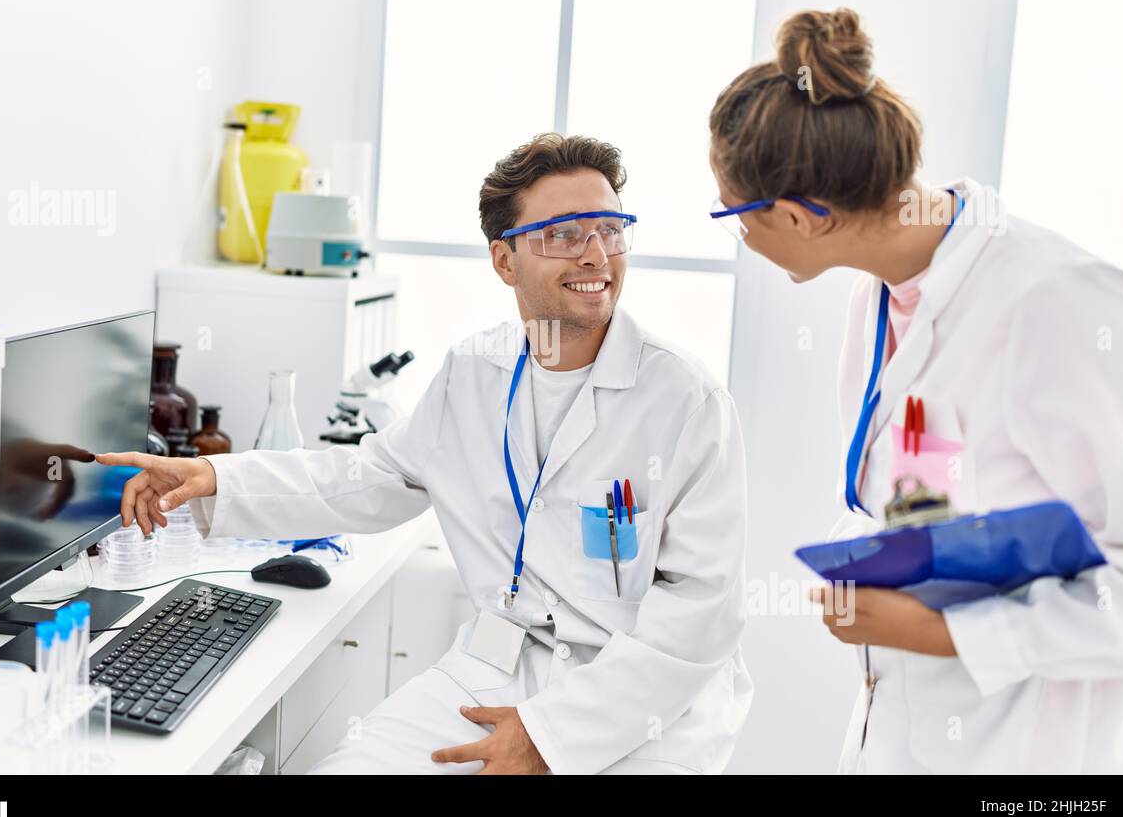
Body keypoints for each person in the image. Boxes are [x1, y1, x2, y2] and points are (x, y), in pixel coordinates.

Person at [99, 133, 751, 774]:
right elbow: (370, 476)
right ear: (505, 261)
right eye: (564, 234)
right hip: (499, 665)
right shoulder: (474, 373)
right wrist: (216, 476)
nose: (596, 254)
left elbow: (701, 616)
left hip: (643, 708)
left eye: (610, 229)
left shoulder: (686, 401)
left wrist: (551, 738)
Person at [706, 7, 1123, 773]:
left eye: (734, 216)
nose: (741, 238)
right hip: (905, 739)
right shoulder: (879, 299)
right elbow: (938, 495)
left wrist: (940, 633)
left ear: (796, 216)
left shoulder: (1061, 303)